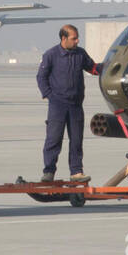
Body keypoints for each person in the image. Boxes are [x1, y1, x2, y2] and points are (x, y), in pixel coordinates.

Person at [36, 25, 98, 182]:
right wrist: (49, 95)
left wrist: (111, 66)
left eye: (77, 38)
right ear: (63, 38)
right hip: (58, 105)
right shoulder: (51, 55)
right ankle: (49, 171)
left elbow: (93, 68)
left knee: (76, 140)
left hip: (76, 105)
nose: (77, 41)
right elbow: (41, 77)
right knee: (54, 139)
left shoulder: (80, 53)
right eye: (74, 38)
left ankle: (76, 172)